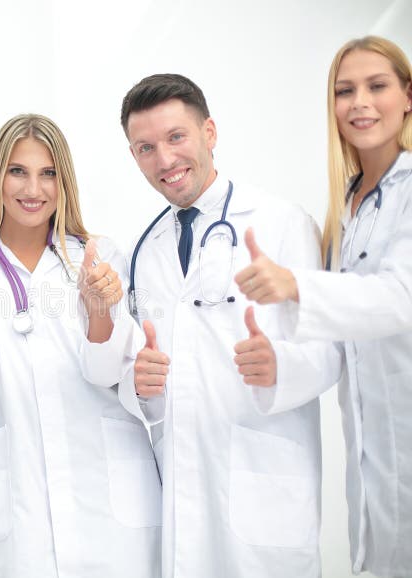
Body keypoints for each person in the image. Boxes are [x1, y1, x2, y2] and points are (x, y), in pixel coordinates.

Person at [115, 74, 340, 578]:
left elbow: (330, 351)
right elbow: (141, 371)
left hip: (264, 483)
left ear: (209, 132)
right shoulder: (143, 251)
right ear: (134, 156)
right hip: (182, 491)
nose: (165, 160)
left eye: (176, 137)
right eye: (146, 147)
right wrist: (139, 384)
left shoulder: (281, 223)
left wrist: (279, 366)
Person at [0, 113, 162, 577]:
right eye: (18, 171)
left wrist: (99, 311)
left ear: (63, 180)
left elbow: (109, 372)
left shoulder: (99, 257)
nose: (33, 189)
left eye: (48, 173)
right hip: (10, 509)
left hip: (105, 506)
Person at [235, 36, 412, 577]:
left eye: (377, 86)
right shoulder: (347, 207)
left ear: (408, 97)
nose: (360, 103)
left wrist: (295, 284)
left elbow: (400, 298)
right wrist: (279, 360)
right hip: (376, 459)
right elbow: (341, 339)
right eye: (345, 91)